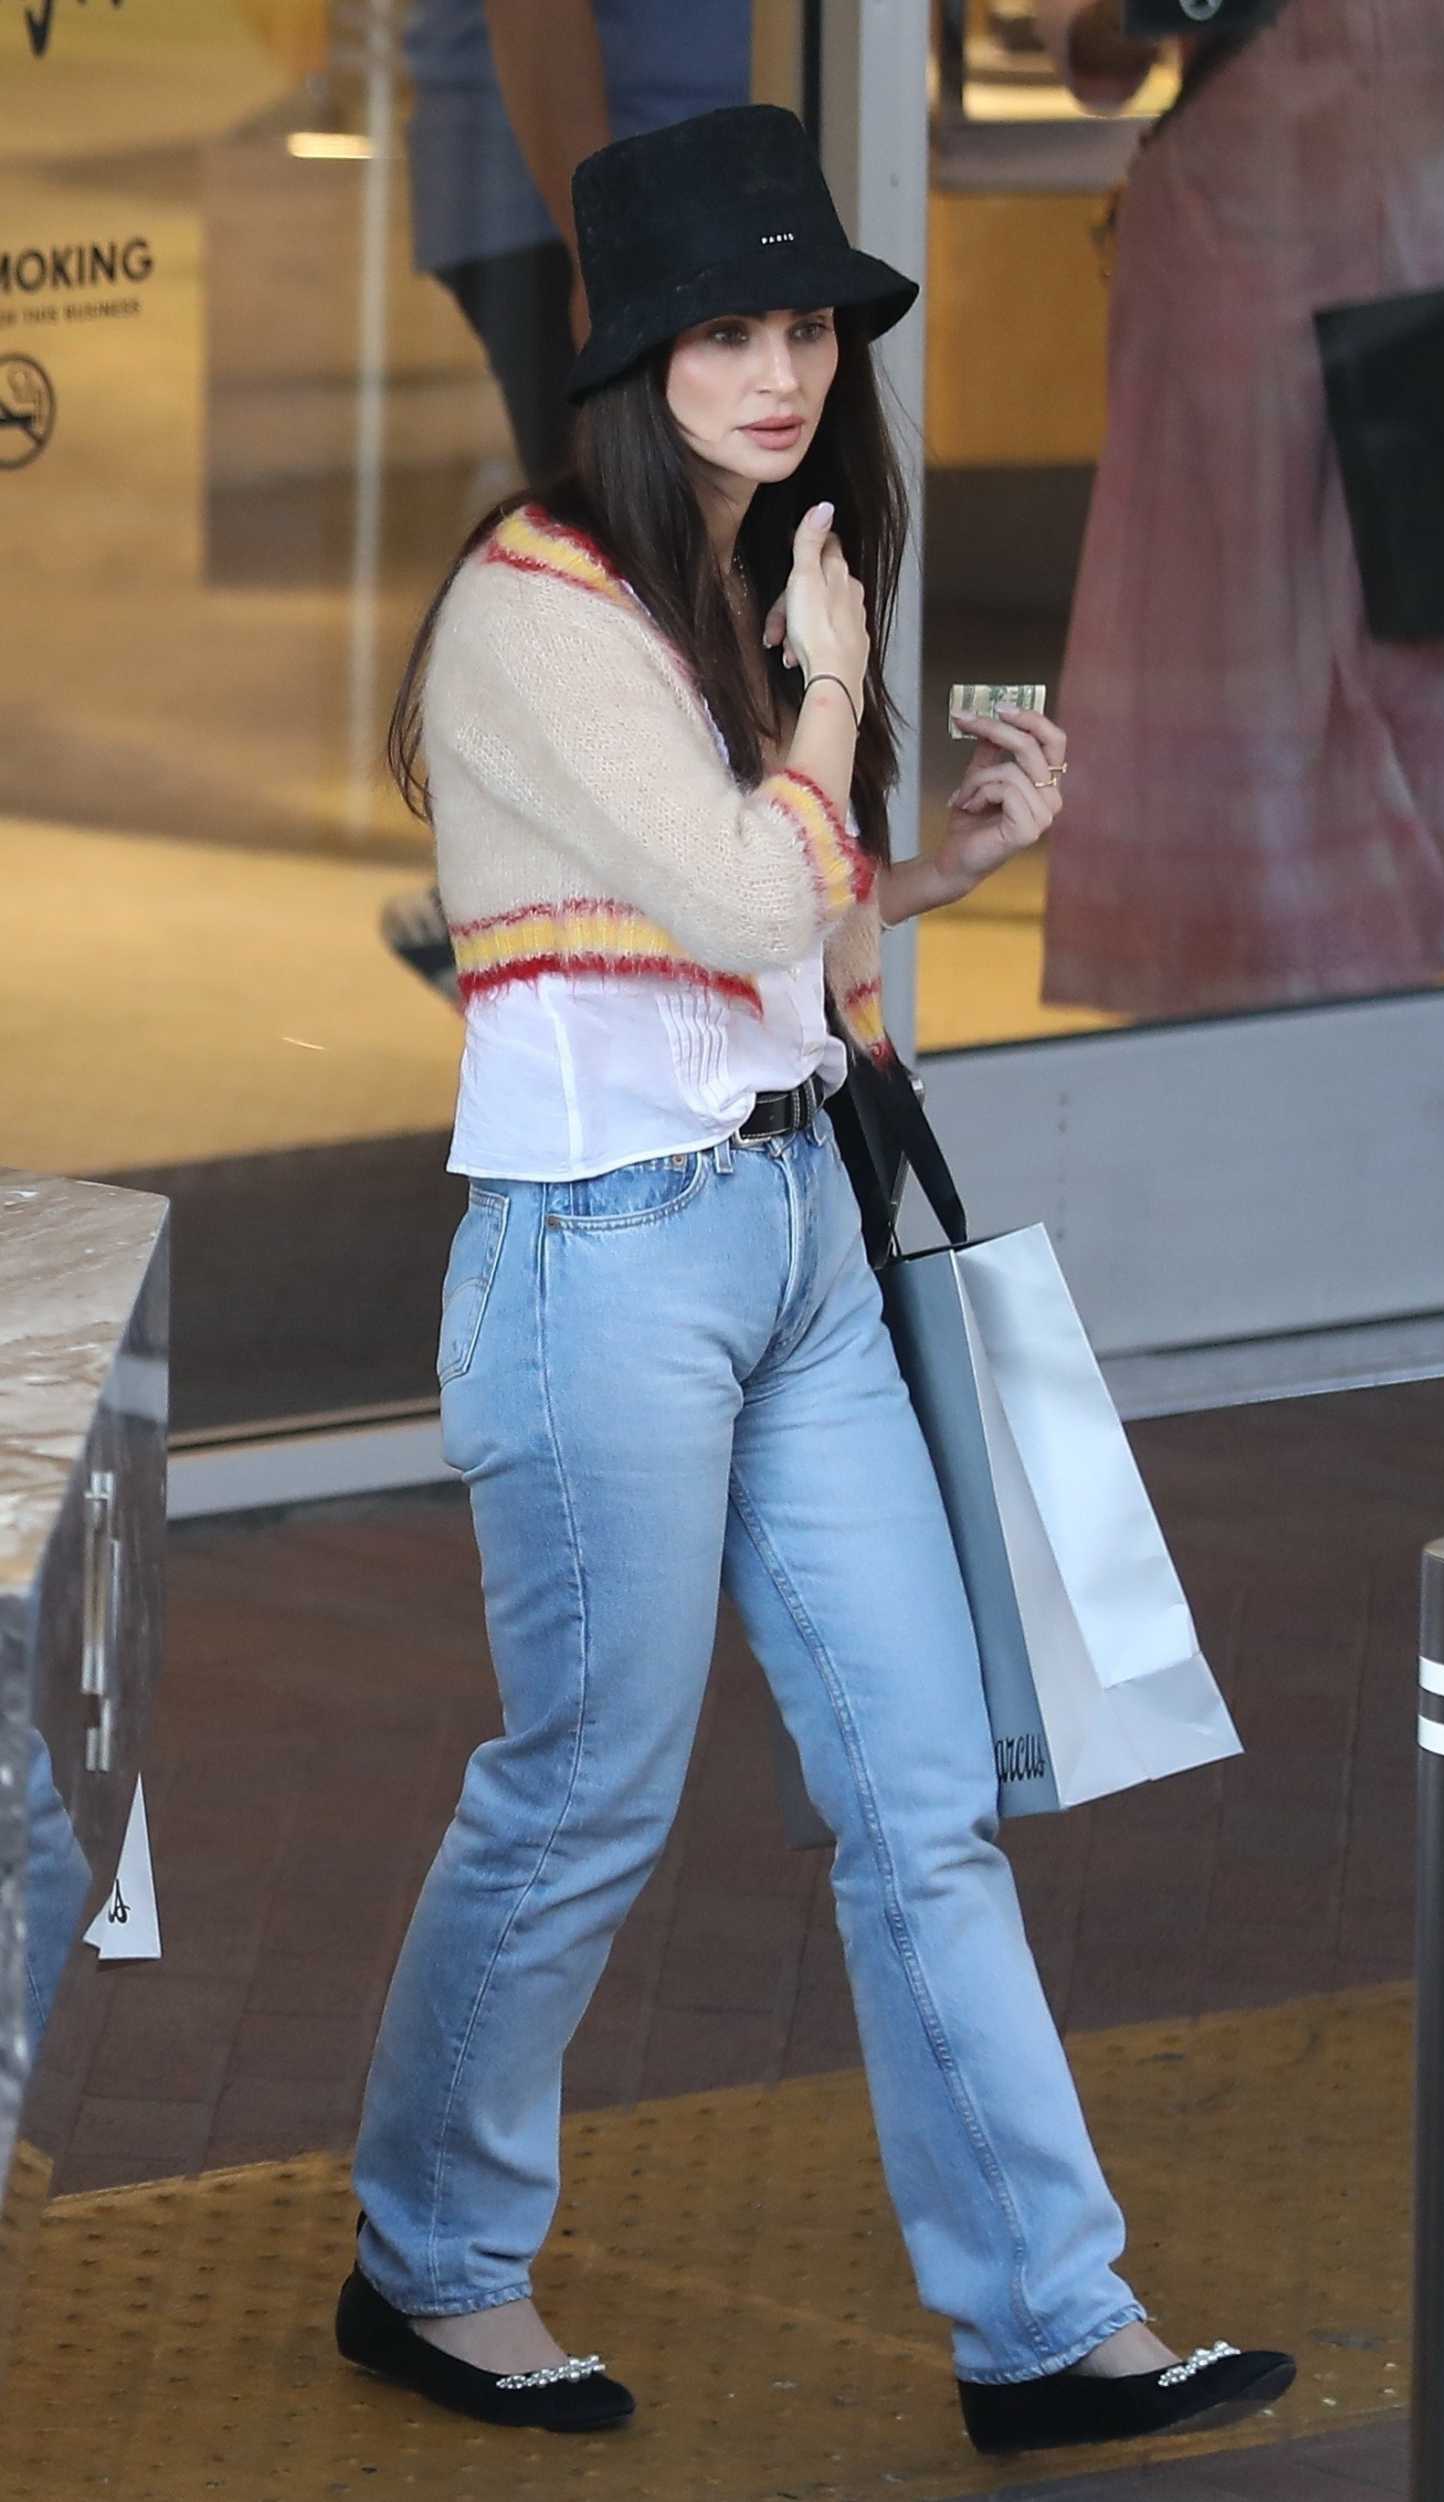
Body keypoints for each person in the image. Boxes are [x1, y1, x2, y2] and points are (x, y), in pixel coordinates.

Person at [334, 104, 1295, 2456]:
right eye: (725, 331)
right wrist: (848, 685)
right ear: (629, 357)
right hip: (601, 1267)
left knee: (920, 1792)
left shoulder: (737, 590)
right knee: (584, 1792)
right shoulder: (534, 612)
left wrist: (943, 857)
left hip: (792, 1242)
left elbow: (777, 944)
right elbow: (755, 898)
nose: (776, 371)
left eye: (804, 327)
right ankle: (427, 2264)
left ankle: (1050, 2323)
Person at [1036, 0, 1444, 1017]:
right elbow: (1085, 44)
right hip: (1236, 253)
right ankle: (1263, 1044)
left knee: (1440, 641)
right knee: (1256, 671)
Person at [385, 0, 753, 998]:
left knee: (676, 606)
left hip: (655, 197)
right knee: (639, 602)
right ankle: (540, 945)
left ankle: (543, 932)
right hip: (588, 204)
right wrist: (603, 249)